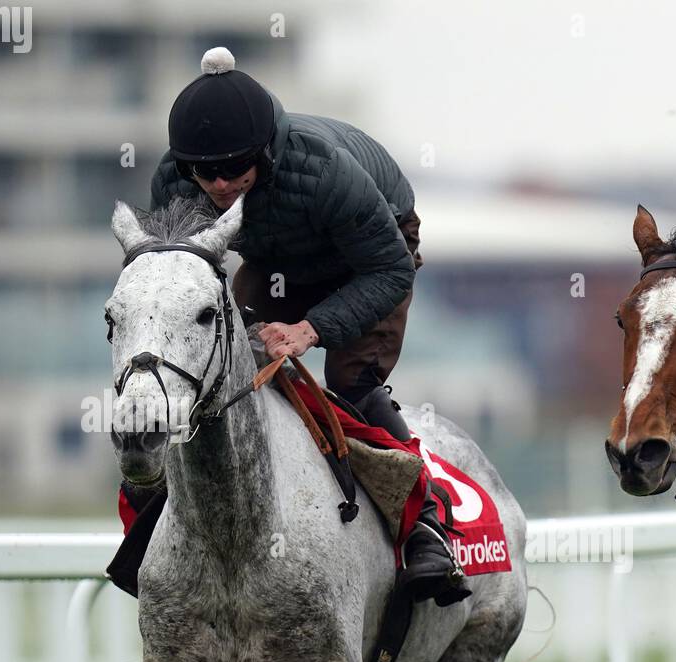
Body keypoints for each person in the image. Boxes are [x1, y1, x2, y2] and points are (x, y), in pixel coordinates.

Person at [142, 46, 467, 605]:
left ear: (264, 154)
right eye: (205, 172)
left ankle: (427, 523)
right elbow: (178, 276)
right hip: (277, 259)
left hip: (375, 250)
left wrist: (311, 329)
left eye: (233, 170)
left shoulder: (322, 171)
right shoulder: (175, 181)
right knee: (220, 363)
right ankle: (161, 513)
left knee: (350, 380)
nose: (218, 186)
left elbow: (387, 270)